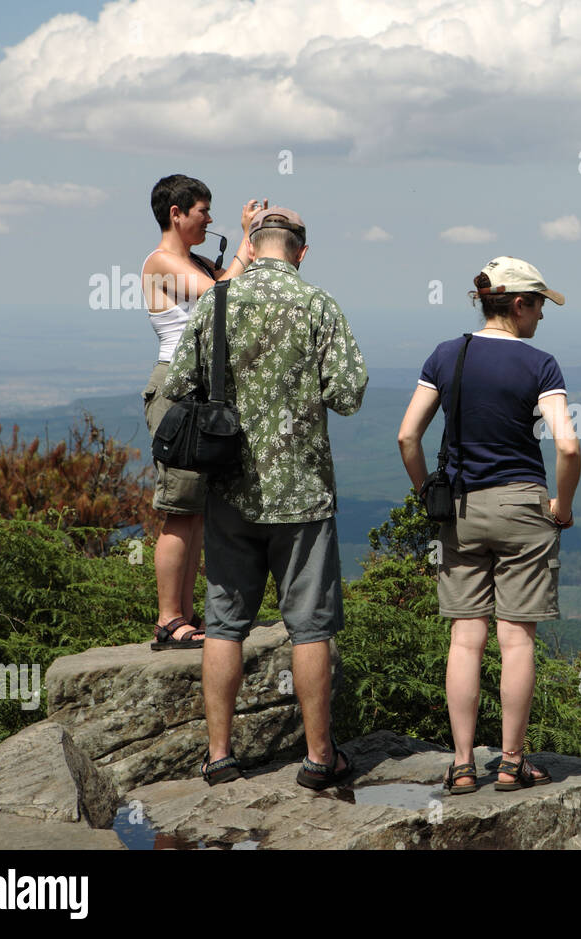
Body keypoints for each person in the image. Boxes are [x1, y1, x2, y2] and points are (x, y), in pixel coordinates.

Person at [161, 207, 368, 788]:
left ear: (253, 247)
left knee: (226, 625)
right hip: (303, 493)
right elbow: (348, 394)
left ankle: (220, 755)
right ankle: (320, 758)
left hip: (229, 490)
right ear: (301, 252)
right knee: (311, 628)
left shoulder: (219, 302)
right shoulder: (318, 305)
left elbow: (178, 385)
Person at [397, 256, 580, 794]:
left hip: (460, 509)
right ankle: (510, 762)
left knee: (465, 639)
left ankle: (460, 765)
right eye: (541, 304)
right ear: (519, 303)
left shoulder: (446, 354)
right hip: (524, 506)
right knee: (517, 642)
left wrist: (425, 492)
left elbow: (408, 437)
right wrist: (561, 507)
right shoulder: (540, 364)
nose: (543, 316)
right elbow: (566, 443)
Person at [140, 174, 267, 649]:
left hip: (197, 392)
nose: (208, 220)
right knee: (179, 510)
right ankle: (170, 618)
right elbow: (221, 299)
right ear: (177, 213)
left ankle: (186, 614)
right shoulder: (162, 262)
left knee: (195, 511)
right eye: (202, 212)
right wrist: (245, 245)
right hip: (176, 389)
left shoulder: (188, 260)